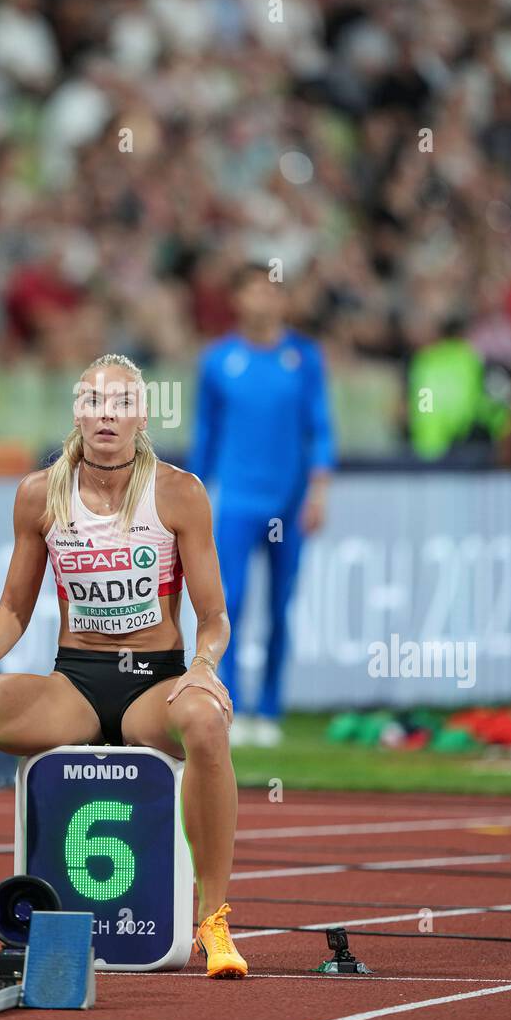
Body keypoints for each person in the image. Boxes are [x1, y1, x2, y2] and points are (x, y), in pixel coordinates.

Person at [0, 353, 247, 979]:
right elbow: (13, 610)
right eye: (94, 402)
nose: (107, 415)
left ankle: (214, 918)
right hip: (74, 684)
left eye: (121, 403)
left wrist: (205, 664)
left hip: (154, 686)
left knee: (207, 722)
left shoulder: (179, 493)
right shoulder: (38, 494)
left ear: (142, 415)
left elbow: (214, 615)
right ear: (76, 413)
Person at [188, 262, 335, 746]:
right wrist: (193, 496)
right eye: (250, 291)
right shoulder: (218, 361)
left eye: (269, 291)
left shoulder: (303, 357)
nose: (260, 300)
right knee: (226, 606)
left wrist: (318, 491)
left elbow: (321, 428)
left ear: (282, 300)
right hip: (235, 501)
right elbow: (205, 435)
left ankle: (268, 708)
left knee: (281, 605)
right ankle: (225, 703)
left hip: (289, 503)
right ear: (237, 301)